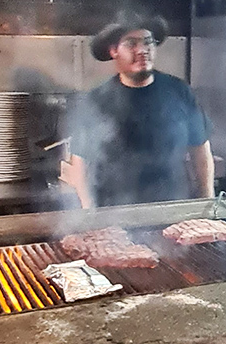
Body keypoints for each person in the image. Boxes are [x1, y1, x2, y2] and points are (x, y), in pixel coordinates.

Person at [66, 12, 215, 208]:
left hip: (173, 209)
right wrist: (88, 209)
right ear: (113, 51)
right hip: (114, 212)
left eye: (148, 42)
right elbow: (80, 162)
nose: (143, 50)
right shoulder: (96, 100)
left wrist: (208, 203)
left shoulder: (179, 91)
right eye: (131, 43)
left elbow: (201, 151)